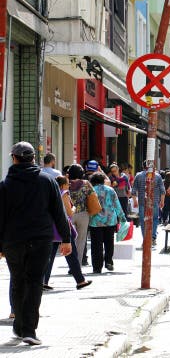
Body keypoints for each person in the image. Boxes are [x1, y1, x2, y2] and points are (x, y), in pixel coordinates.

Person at [0, 142, 72, 345]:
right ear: (34, 159)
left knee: (18, 280)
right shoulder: (47, 181)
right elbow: (59, 212)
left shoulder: (5, 185)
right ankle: (28, 330)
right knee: (34, 282)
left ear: (14, 159)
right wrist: (66, 239)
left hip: (13, 241)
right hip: (41, 240)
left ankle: (20, 326)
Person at [43, 176, 92, 291]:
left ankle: (44, 281)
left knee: (49, 257)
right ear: (62, 185)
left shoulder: (49, 194)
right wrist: (74, 208)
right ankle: (80, 281)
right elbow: (69, 212)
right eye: (67, 184)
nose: (68, 186)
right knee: (71, 254)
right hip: (63, 227)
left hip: (51, 227)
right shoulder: (64, 193)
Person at [88, 172, 126, 273]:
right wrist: (122, 217)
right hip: (110, 220)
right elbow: (117, 204)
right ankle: (108, 261)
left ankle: (97, 267)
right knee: (109, 242)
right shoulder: (110, 190)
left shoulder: (91, 190)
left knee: (96, 244)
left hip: (95, 221)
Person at [68, 164, 96, 267]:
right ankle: (77, 265)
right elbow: (93, 196)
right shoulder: (86, 183)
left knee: (69, 240)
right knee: (81, 240)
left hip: (69, 214)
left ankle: (71, 265)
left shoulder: (66, 183)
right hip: (83, 213)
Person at [132, 167, 166, 245]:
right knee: (154, 219)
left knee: (143, 221)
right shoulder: (157, 176)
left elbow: (133, 190)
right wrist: (162, 201)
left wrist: (135, 201)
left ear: (143, 167)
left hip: (142, 202)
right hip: (154, 202)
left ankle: (145, 239)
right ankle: (153, 237)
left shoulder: (138, 175)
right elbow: (162, 190)